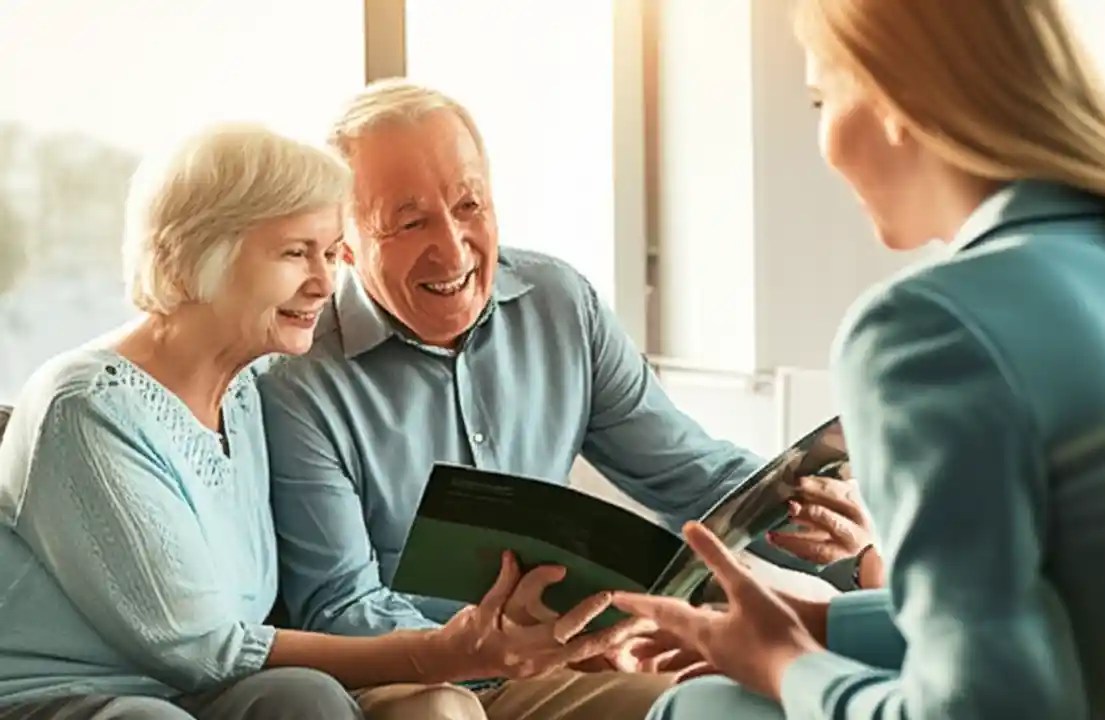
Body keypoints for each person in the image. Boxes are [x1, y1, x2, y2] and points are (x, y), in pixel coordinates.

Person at [611, 0, 1105, 718]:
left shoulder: (928, 327)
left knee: (705, 709)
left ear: (897, 99)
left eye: (821, 98)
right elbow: (1100, 618)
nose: (824, 141)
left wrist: (786, 665)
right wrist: (824, 625)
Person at [255, 78, 875, 720]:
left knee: (725, 706)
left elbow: (696, 476)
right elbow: (339, 608)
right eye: (410, 223)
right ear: (347, 242)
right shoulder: (296, 377)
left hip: (551, 667)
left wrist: (852, 555)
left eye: (470, 206)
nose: (451, 246)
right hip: (408, 676)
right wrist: (478, 648)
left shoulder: (560, 305)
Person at [0, 122, 632, 720]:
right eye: (297, 252)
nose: (325, 282)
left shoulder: (246, 393)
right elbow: (201, 648)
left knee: (307, 698)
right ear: (195, 255)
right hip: (74, 696)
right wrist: (446, 651)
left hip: (194, 693)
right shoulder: (85, 404)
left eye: (331, 252)